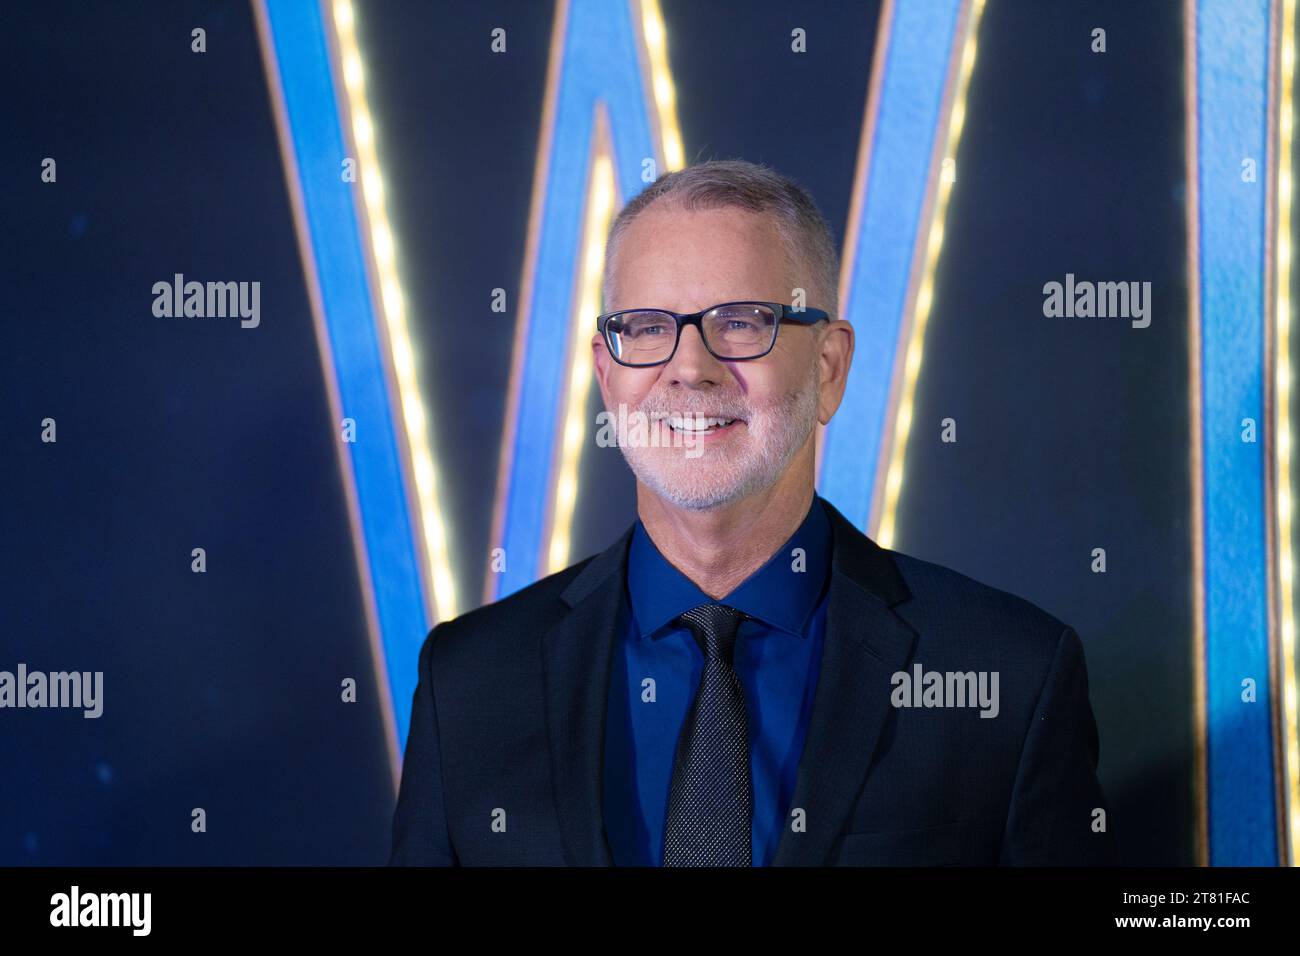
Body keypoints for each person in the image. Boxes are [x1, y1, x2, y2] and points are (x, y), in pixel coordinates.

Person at [389, 159, 1115, 866]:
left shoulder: (1008, 676)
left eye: (740, 322)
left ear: (828, 369)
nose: (688, 366)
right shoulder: (471, 684)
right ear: (607, 375)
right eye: (645, 327)